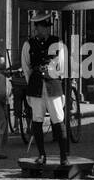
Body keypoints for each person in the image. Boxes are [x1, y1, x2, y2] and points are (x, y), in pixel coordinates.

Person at [21, 15, 69, 166]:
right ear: (37, 27)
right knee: (37, 120)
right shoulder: (28, 44)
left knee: (58, 120)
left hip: (53, 85)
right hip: (36, 86)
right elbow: (26, 66)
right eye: (42, 26)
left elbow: (62, 65)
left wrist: (52, 73)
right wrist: (32, 83)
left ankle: (64, 156)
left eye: (47, 26)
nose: (45, 29)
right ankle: (42, 154)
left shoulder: (58, 43)